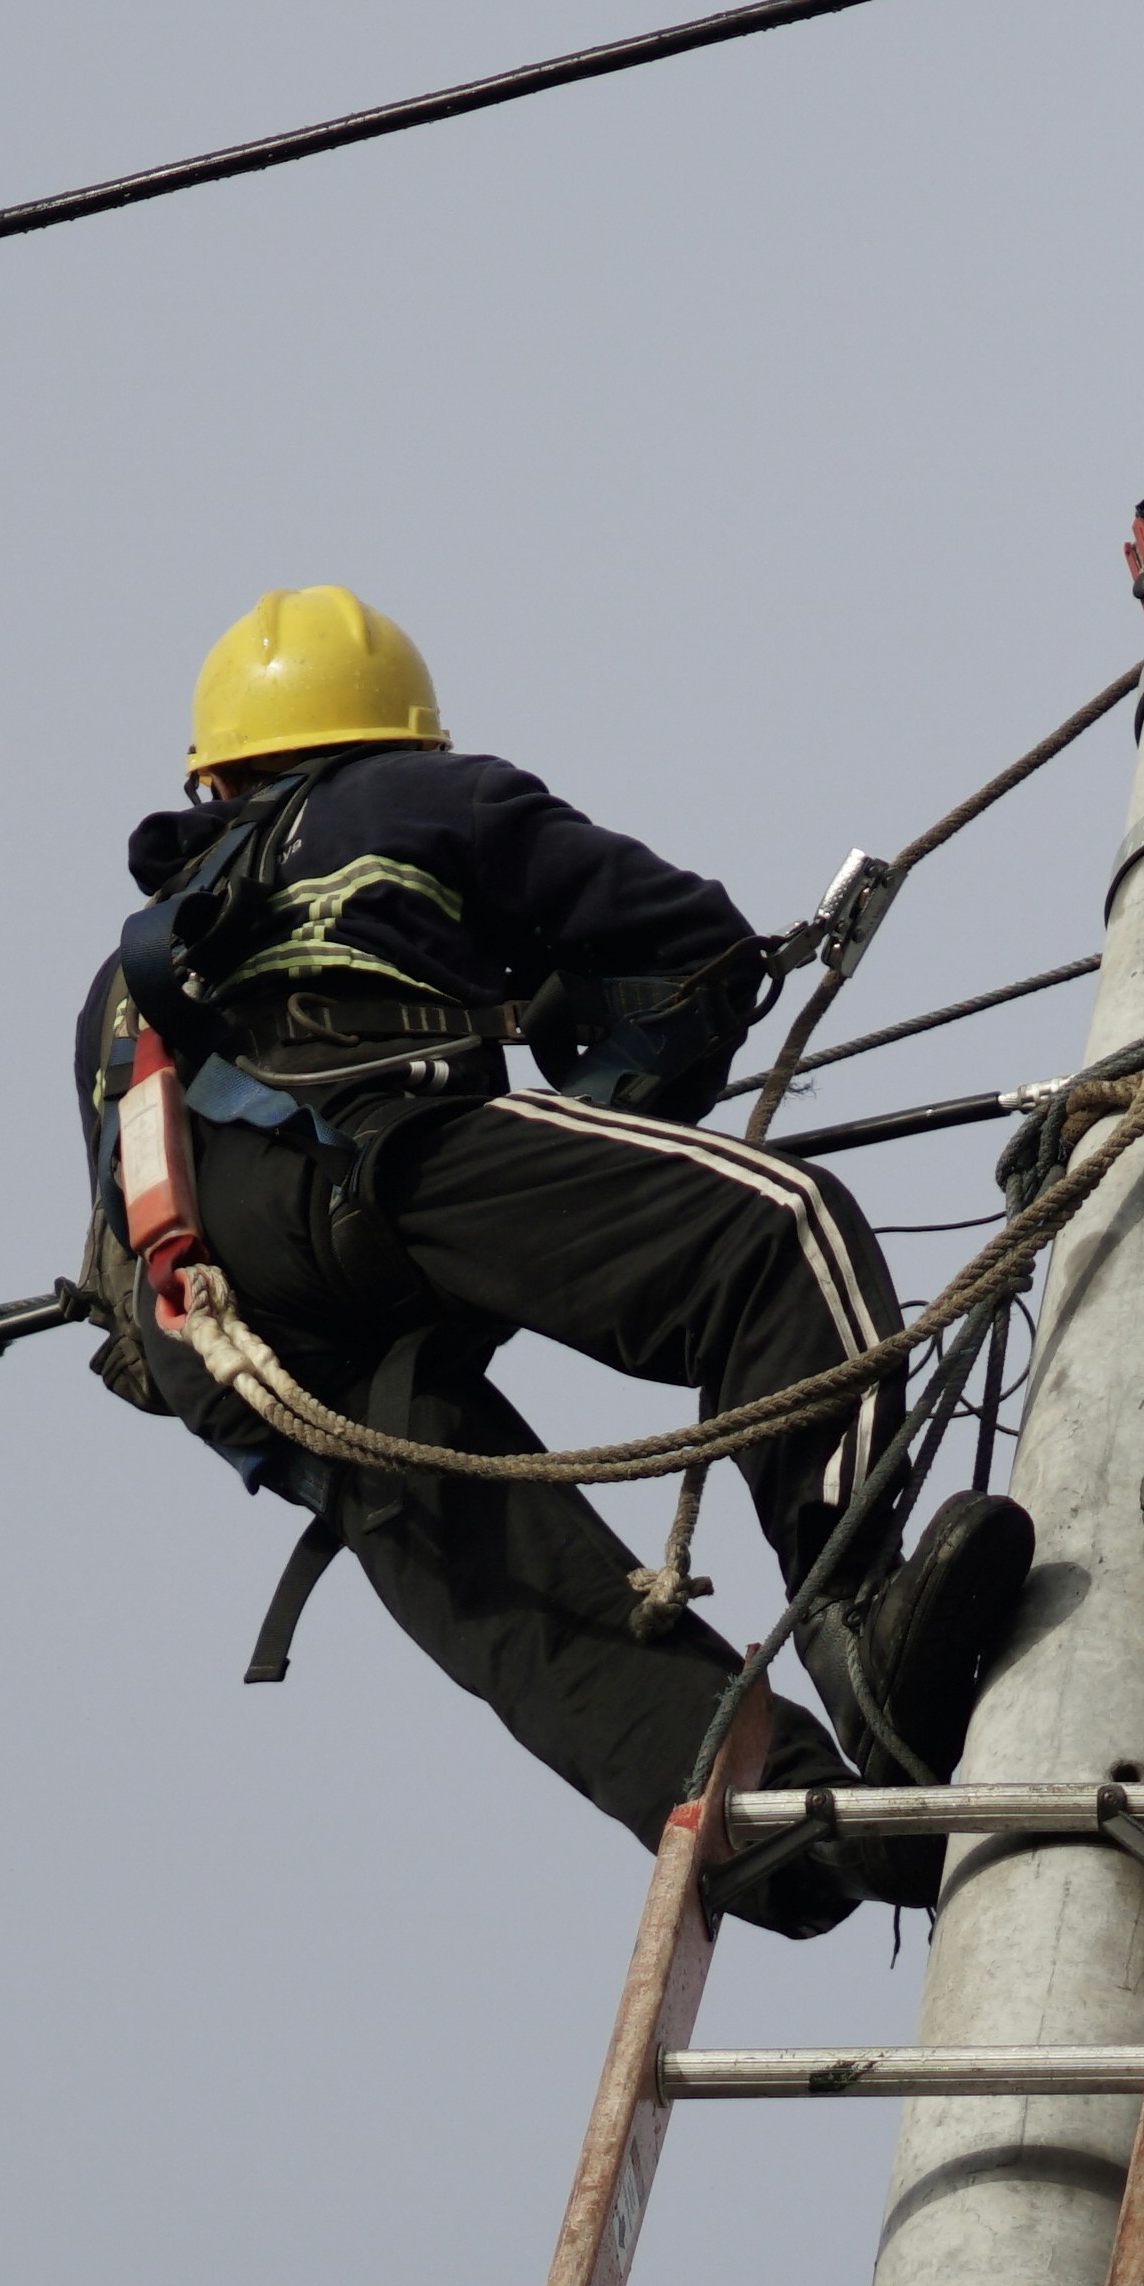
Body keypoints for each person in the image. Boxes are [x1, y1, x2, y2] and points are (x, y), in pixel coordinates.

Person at [79, 587, 1027, 1927]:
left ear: (213, 776)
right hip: (383, 1161)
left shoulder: (120, 991)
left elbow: (114, 1249)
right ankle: (863, 1627)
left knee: (494, 1573)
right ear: (396, 739)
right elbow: (689, 950)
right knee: (772, 1233)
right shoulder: (429, 800)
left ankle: (792, 1833)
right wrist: (615, 1111)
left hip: (210, 1329)